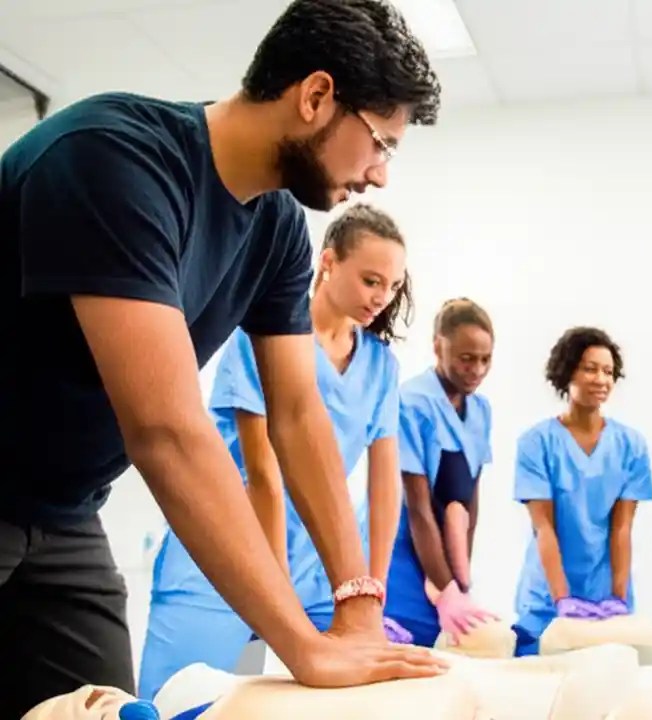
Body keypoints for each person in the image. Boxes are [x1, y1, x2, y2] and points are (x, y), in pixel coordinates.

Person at [0, 0, 445, 713]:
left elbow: (297, 414)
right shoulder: (112, 160)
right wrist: (303, 646)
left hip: (65, 511)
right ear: (316, 96)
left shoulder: (276, 230)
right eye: (380, 143)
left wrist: (357, 603)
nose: (379, 174)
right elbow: (166, 432)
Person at [137, 204, 414, 698]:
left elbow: (384, 488)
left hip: (317, 573)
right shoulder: (264, 337)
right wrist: (279, 602)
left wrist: (369, 595)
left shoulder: (380, 366)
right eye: (371, 280)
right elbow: (262, 473)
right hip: (221, 555)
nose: (382, 297)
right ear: (328, 262)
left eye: (393, 287)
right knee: (174, 702)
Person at [511, 327, 652, 655]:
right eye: (590, 369)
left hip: (605, 600)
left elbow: (622, 528)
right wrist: (562, 599)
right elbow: (543, 527)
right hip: (545, 600)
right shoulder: (537, 443)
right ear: (567, 372)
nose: (601, 379)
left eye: (608, 372)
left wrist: (618, 598)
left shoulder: (630, 445)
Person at [385, 298, 500, 647]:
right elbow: (418, 507)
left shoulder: (480, 410)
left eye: (485, 359)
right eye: (467, 358)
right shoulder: (412, 402)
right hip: (399, 557)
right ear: (438, 347)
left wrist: (460, 581)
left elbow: (468, 503)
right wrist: (445, 587)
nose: (477, 370)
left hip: (443, 561)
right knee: (401, 649)